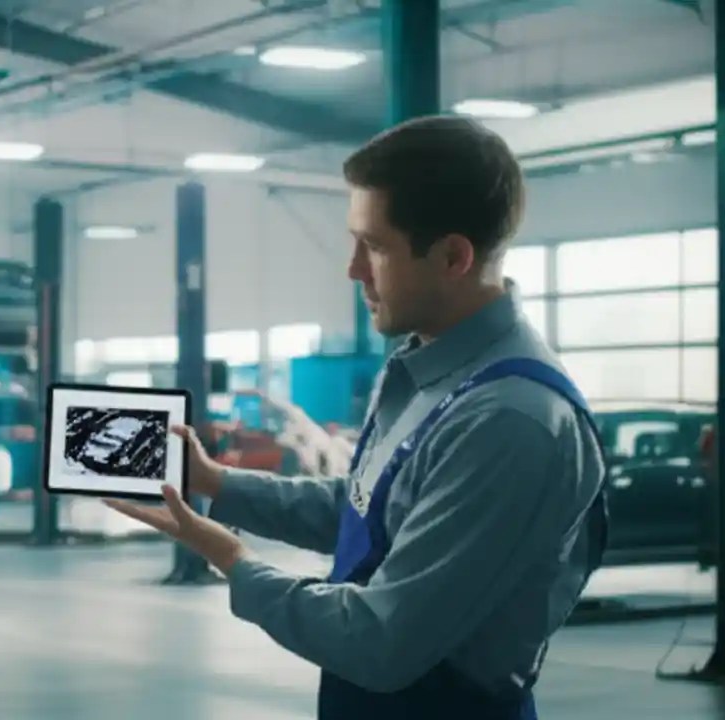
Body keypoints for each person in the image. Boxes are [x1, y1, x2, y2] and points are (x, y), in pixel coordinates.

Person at [107, 115, 608, 720]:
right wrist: (213, 481)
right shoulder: (424, 368)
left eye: (373, 246)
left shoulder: (511, 422)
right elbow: (366, 514)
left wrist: (233, 561)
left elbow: (381, 642)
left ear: (453, 256)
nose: (352, 270)